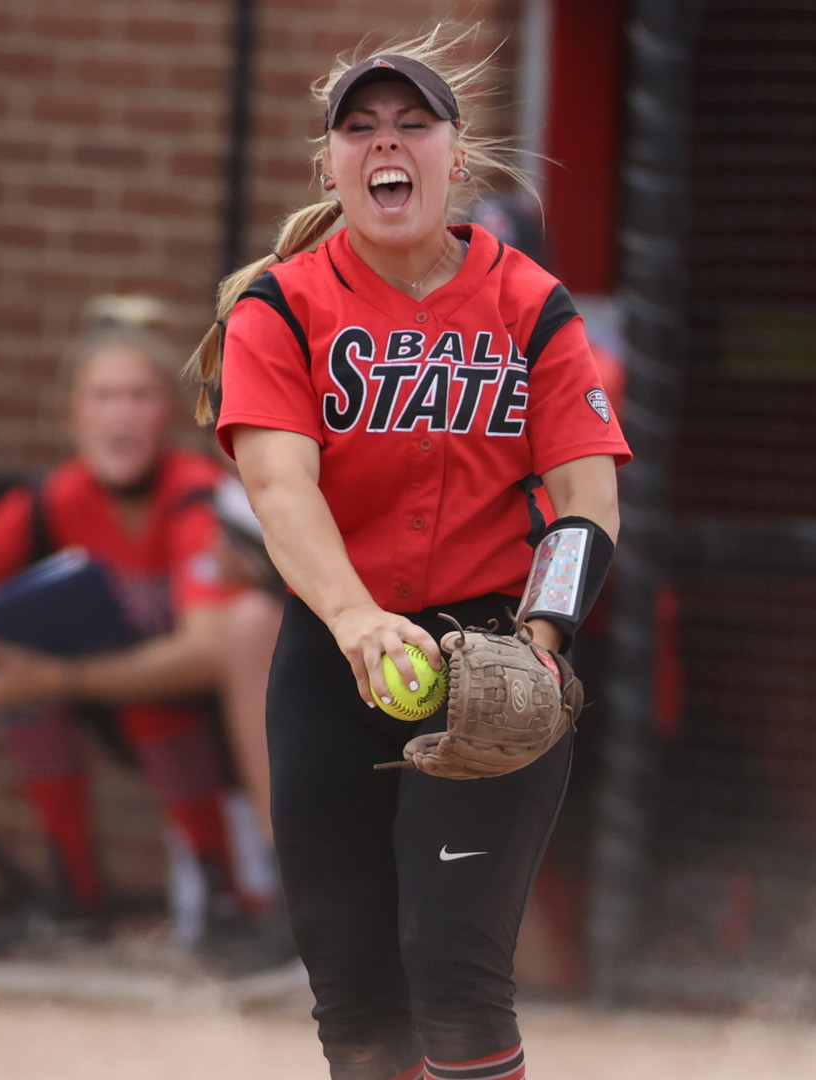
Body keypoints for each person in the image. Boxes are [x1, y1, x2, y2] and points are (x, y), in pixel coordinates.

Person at [192, 27, 629, 1080]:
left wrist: (542, 634)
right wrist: (352, 619)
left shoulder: (530, 305)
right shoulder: (281, 309)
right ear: (332, 162)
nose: (387, 144)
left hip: (492, 665)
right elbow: (279, 486)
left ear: (456, 155)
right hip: (334, 664)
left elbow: (589, 501)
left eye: (411, 125)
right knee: (355, 998)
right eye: (361, 128)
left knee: (454, 977)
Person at [0, 317, 275, 939]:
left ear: (168, 414)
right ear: (73, 416)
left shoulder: (196, 496)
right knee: (11, 671)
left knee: (141, 700)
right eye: (103, 397)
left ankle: (228, 899)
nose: (122, 415)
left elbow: (207, 651)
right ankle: (77, 898)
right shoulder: (59, 499)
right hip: (122, 700)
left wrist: (61, 674)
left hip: (237, 726)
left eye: (139, 397)